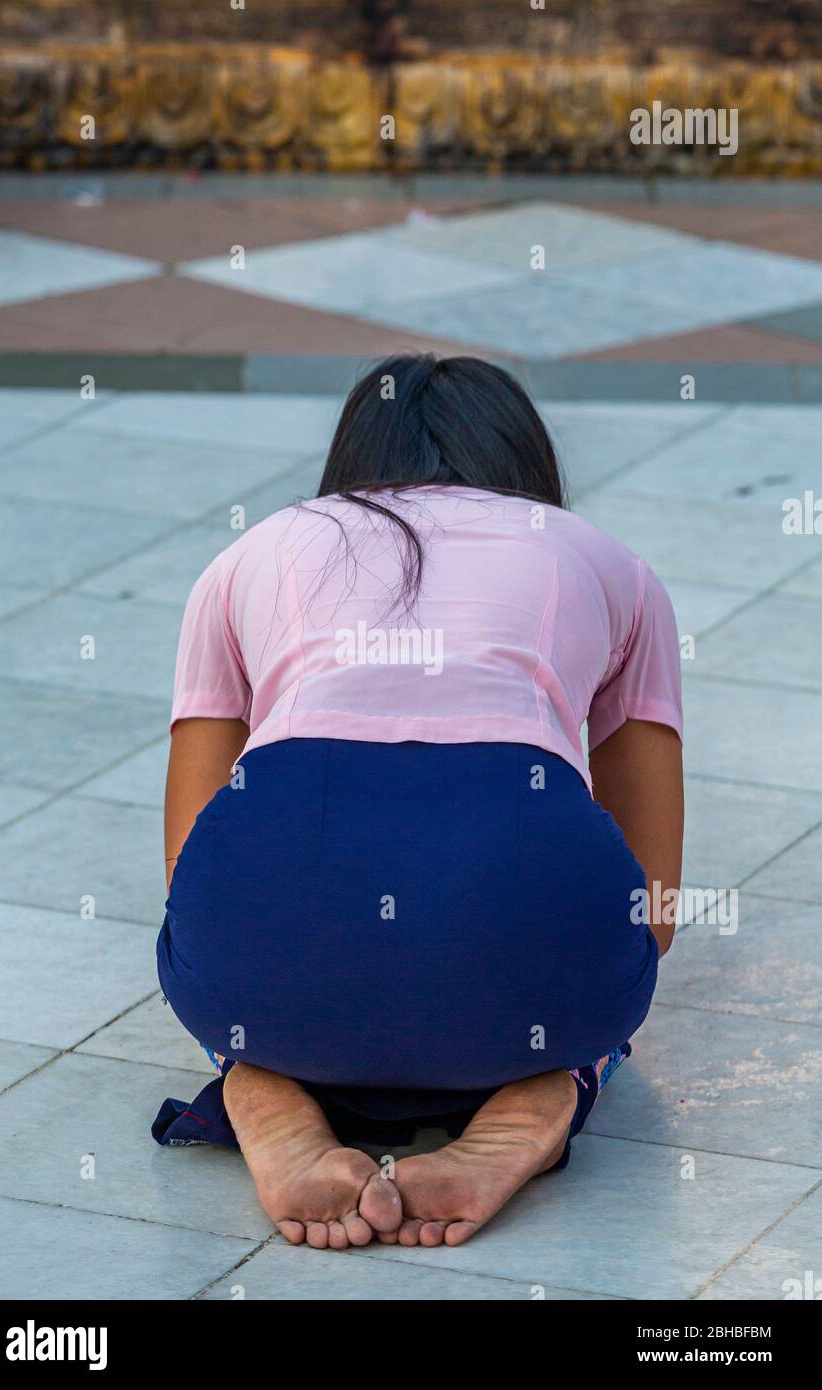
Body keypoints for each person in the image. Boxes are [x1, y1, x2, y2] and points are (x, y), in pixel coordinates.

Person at [154, 353, 683, 1251]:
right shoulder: (610, 565)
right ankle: (545, 1089)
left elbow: (184, 877)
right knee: (604, 974)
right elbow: (656, 907)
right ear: (528, 467)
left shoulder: (248, 555)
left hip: (259, 974)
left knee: (219, 950)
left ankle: (260, 1077)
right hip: (529, 975)